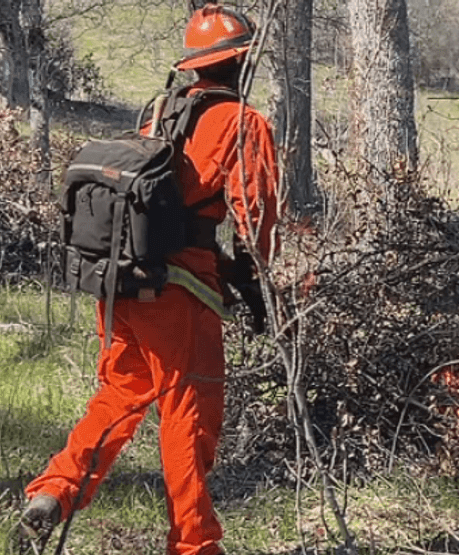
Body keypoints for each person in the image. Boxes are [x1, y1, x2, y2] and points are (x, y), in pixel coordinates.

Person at [16, 5, 279, 555]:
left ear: (194, 65)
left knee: (120, 395)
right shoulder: (242, 123)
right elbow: (254, 215)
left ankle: (54, 493)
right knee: (188, 419)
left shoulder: (158, 111)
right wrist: (254, 280)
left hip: (123, 282)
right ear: (242, 60)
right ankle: (194, 545)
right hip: (180, 293)